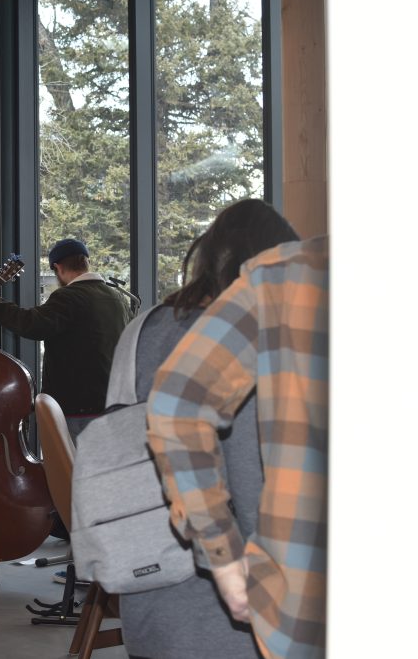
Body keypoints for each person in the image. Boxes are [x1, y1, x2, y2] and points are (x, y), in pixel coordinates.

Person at [116, 198, 300, 659]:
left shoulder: (142, 329)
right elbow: (254, 485)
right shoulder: (252, 339)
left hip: (145, 594)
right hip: (233, 618)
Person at [147, 234, 328, 659]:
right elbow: (246, 473)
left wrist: (225, 557)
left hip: (292, 595)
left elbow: (176, 405)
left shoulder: (285, 278)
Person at [0, 237, 131, 439]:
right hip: (113, 404)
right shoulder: (118, 299)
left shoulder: (68, 296)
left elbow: (30, 324)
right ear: (86, 261)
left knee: (71, 461)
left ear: (58, 268)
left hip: (77, 409)